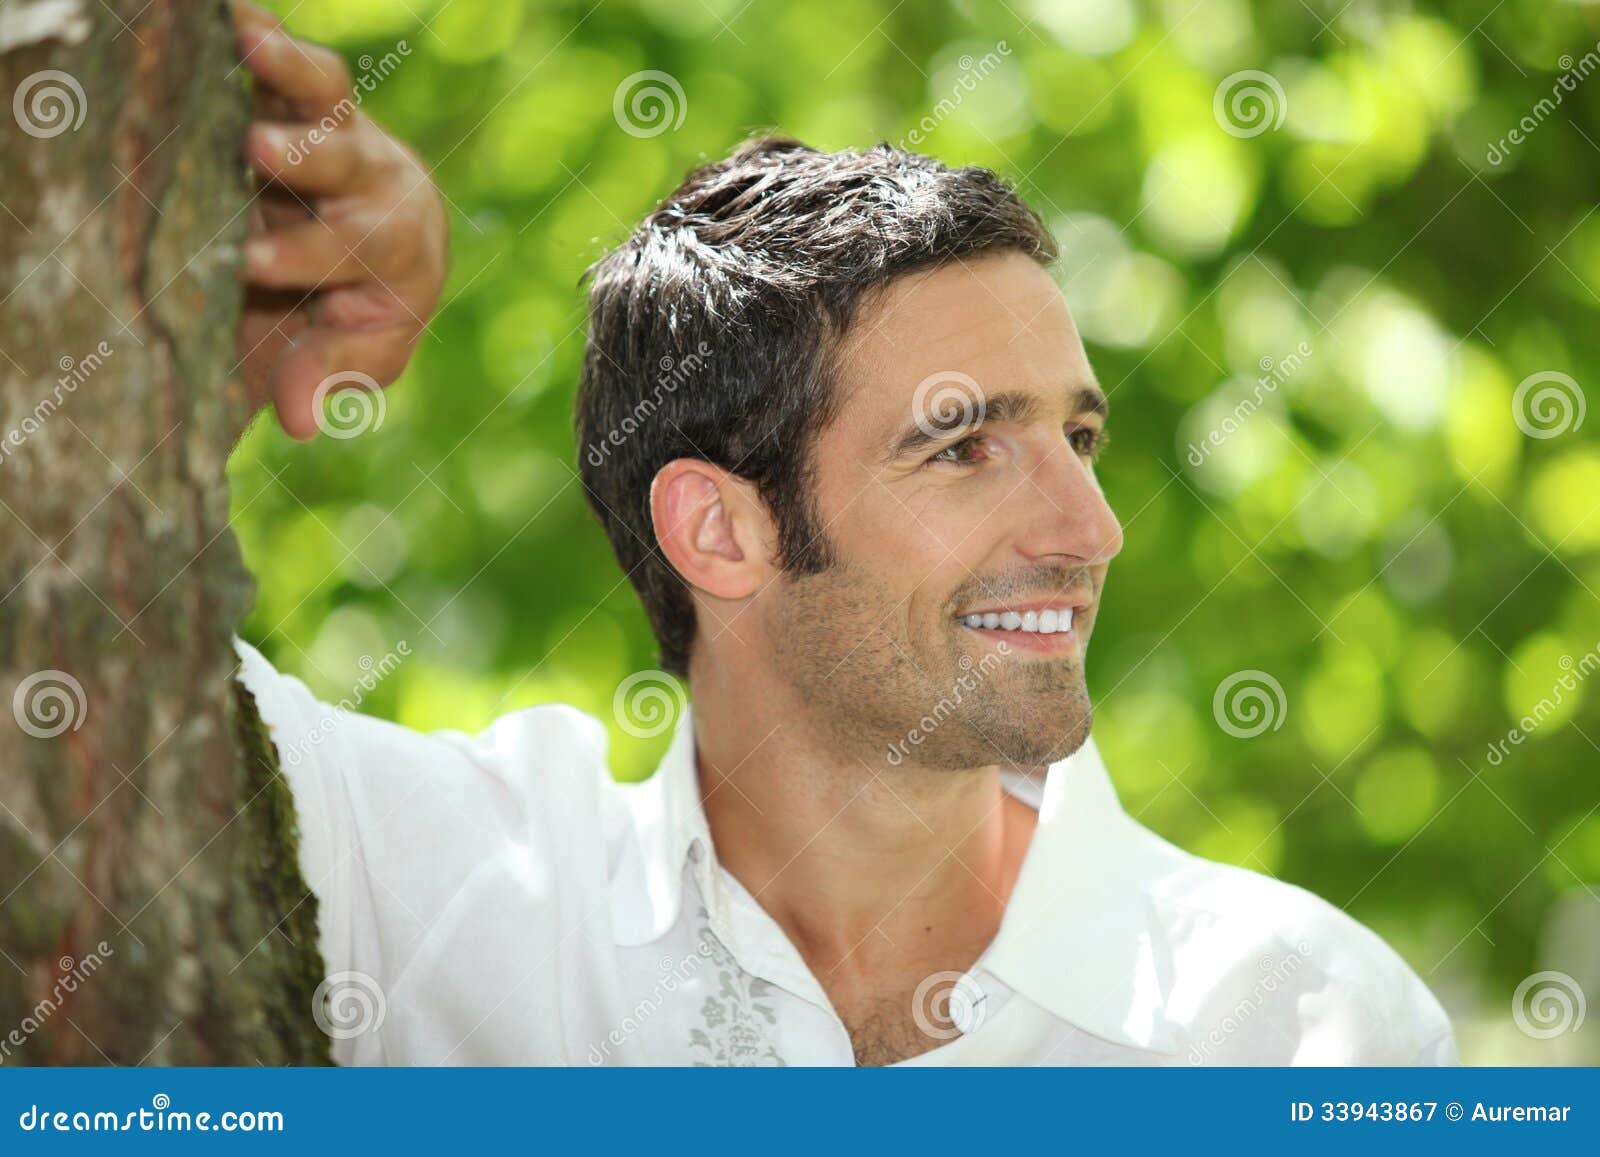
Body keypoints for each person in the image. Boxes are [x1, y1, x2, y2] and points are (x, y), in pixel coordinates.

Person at [228, 2, 1456, 1066]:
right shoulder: (425, 890)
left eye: (1077, 437)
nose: (1091, 528)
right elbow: (110, 684)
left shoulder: (1301, 1023)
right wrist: (221, 356)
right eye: (963, 446)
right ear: (720, 529)